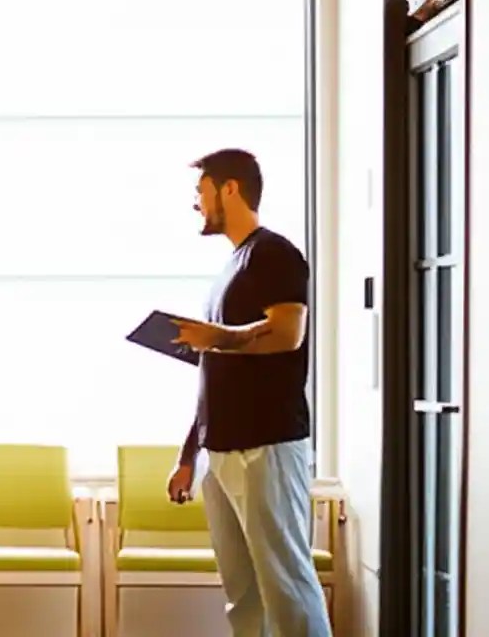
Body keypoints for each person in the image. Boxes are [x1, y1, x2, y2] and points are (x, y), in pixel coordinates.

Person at [166, 148, 331, 637]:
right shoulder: (230, 269)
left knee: (287, 584)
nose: (196, 202)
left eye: (201, 190)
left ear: (230, 188)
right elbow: (214, 371)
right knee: (244, 595)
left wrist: (217, 337)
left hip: (268, 446)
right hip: (222, 452)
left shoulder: (274, 254)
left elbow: (287, 334)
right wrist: (189, 454)